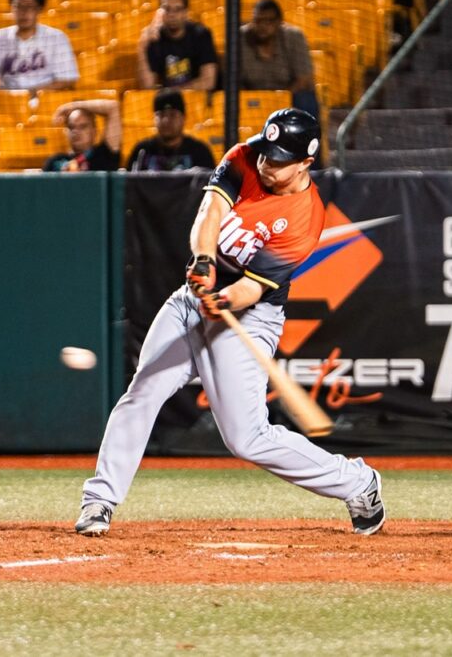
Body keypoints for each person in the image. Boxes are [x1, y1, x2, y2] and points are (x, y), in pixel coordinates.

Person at [74, 108, 386, 538]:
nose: (266, 164)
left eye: (278, 160)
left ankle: (357, 481)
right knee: (142, 390)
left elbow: (252, 291)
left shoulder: (305, 219)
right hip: (192, 300)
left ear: (305, 162)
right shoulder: (246, 156)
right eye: (266, 154)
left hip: (249, 317)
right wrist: (203, 262)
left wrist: (223, 297)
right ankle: (100, 501)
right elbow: (210, 213)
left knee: (246, 439)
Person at [0, 0, 78, 92]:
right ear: (11, 9)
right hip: (8, 102)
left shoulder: (57, 38)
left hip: (46, 101)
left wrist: (31, 95)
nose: (24, 12)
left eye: (29, 7)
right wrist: (10, 96)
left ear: (39, 10)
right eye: (18, 7)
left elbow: (67, 79)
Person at [240, 0, 320, 123]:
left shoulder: (294, 37)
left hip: (288, 95)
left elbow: (303, 80)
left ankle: (307, 139)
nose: (262, 26)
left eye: (269, 21)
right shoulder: (240, 37)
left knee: (305, 98)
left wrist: (278, 101)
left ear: (279, 22)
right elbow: (234, 80)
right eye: (258, 21)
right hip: (252, 99)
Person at [138, 0, 218, 90]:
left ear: (186, 13)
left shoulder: (201, 35)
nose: (172, 14)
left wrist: (174, 92)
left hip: (197, 98)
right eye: (166, 9)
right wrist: (142, 47)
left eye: (177, 9)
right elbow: (147, 86)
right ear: (159, 12)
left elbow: (208, 82)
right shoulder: (155, 38)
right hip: (168, 101)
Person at [125, 89, 216, 171]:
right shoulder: (142, 151)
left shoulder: (199, 151)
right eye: (161, 115)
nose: (166, 120)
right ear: (154, 118)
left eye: (172, 115)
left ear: (183, 118)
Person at [43, 99, 122, 172]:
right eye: (71, 127)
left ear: (94, 131)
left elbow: (113, 107)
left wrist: (73, 105)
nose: (76, 131)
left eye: (83, 127)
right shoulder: (54, 162)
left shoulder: (105, 155)